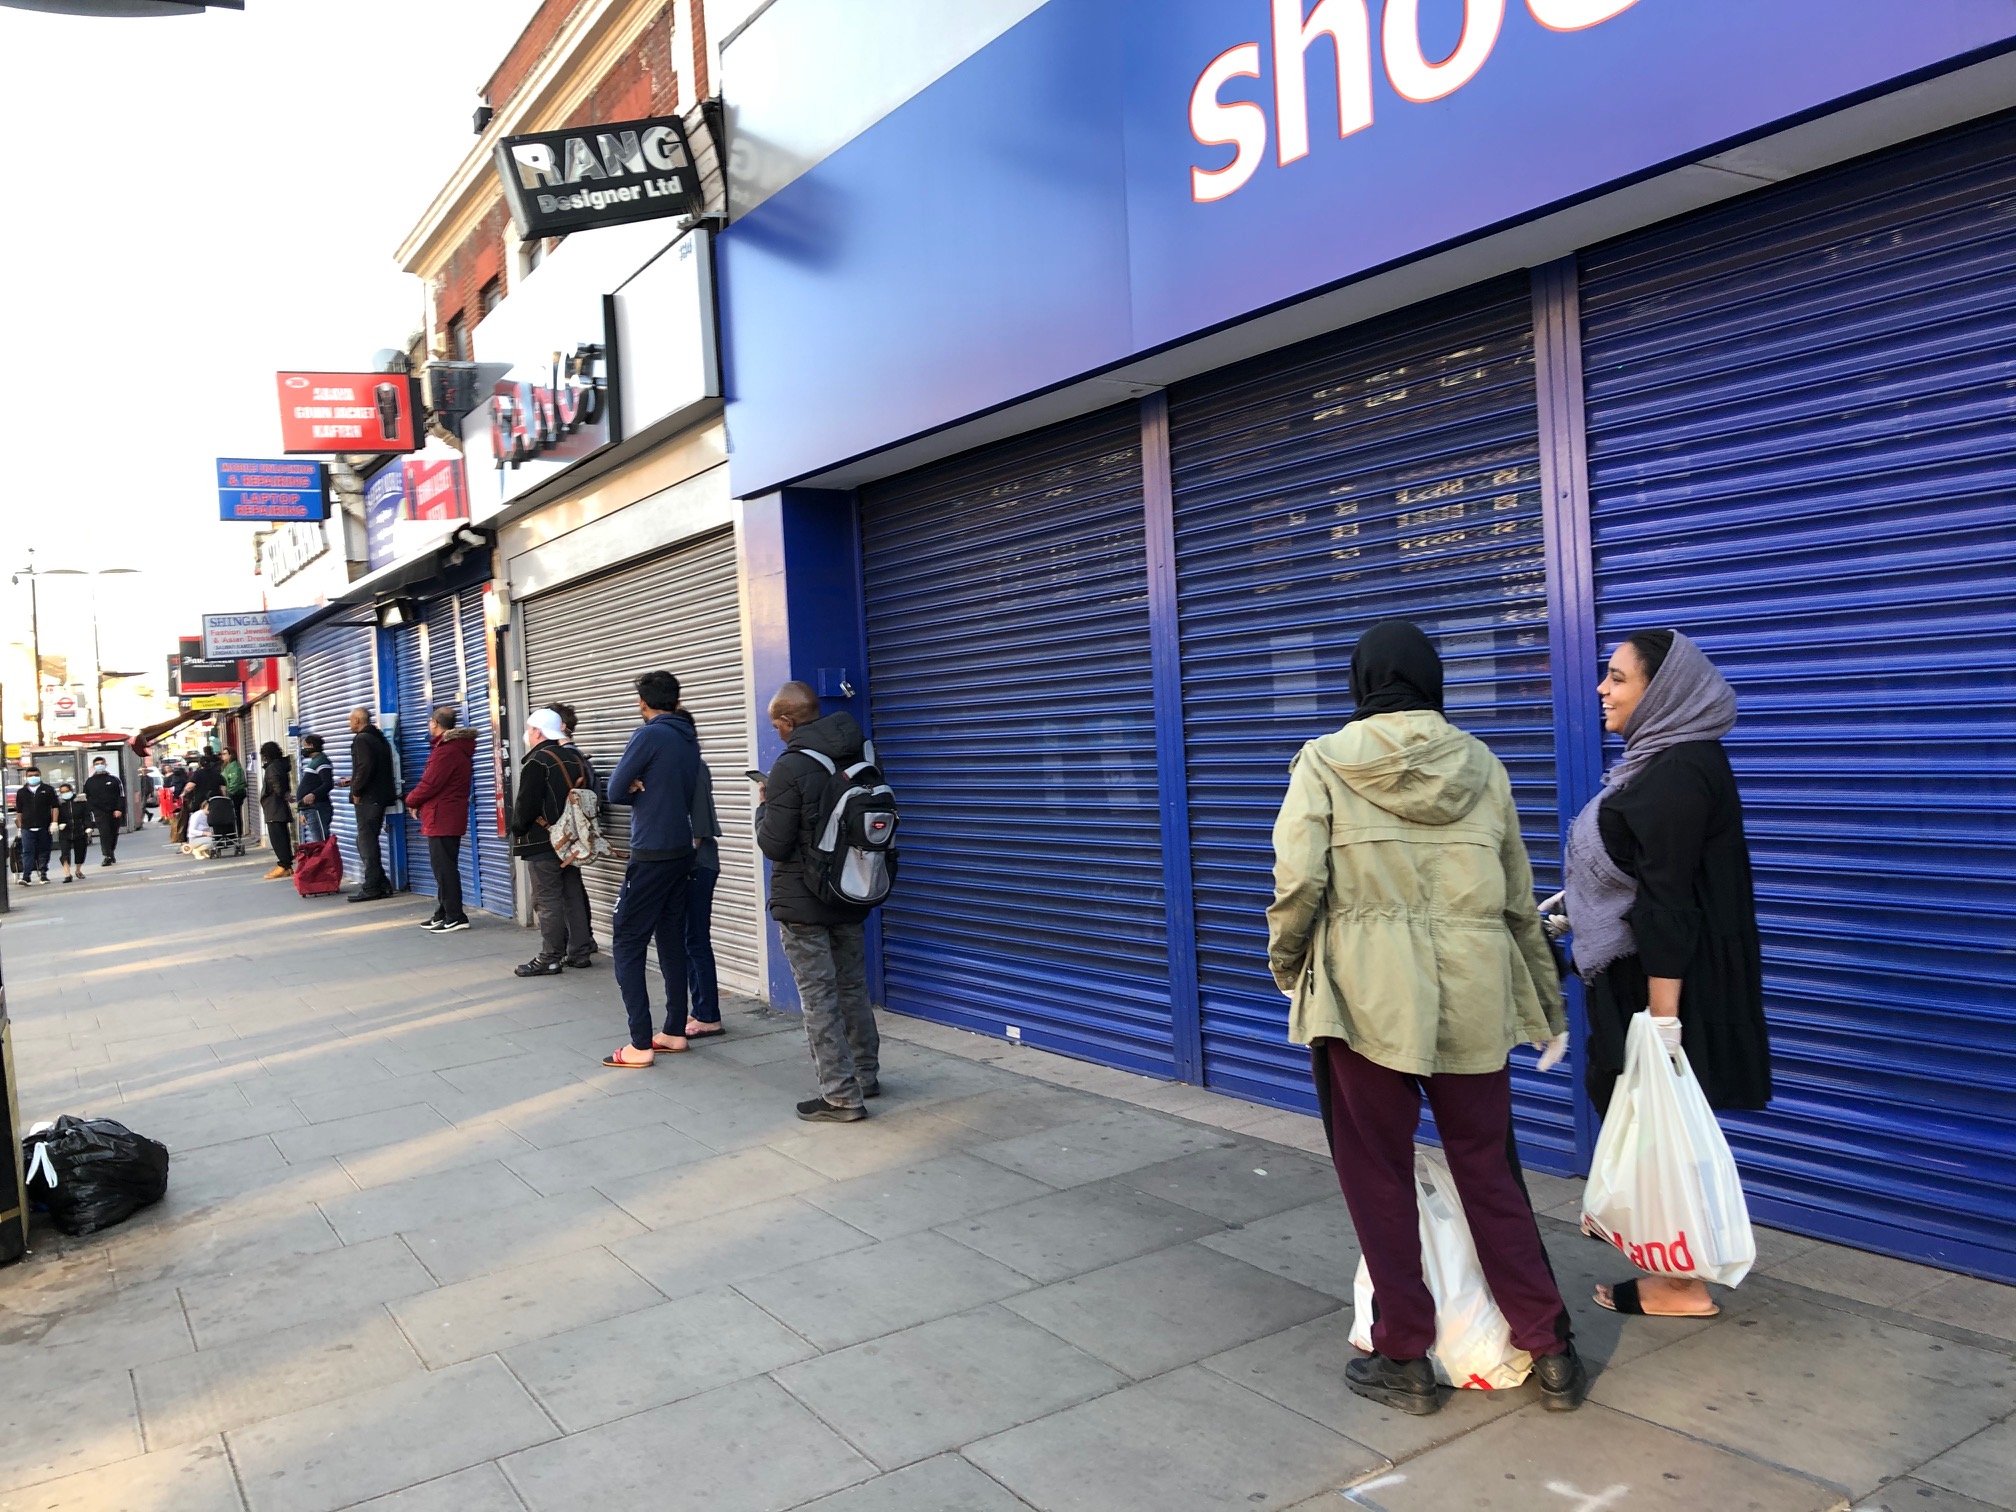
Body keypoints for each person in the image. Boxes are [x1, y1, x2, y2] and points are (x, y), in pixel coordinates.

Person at [1267, 621, 1584, 1416]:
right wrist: (1544, 1001)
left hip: (1363, 993)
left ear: (1362, 681)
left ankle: (1403, 1353)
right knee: (1490, 1167)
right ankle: (1550, 1348)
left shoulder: (1324, 762)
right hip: (1472, 992)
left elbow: (1299, 880)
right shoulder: (1484, 765)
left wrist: (1288, 964)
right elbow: (1517, 898)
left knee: (1376, 1174)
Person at [1562, 628, 1770, 1321]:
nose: (1602, 689)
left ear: (1664, 690)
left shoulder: (1680, 769)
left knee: (1658, 1131)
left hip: (1656, 982)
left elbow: (1668, 900)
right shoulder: (1662, 762)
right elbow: (1634, 869)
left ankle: (1680, 1285)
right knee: (1650, 1129)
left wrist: (1662, 1019)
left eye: (1618, 678)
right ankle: (1668, 1270)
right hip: (1644, 974)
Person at [758, 680, 878, 1121]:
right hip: (851, 888)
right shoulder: (859, 751)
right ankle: (865, 1074)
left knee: (818, 996)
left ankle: (841, 1096)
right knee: (851, 986)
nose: (777, 733)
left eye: (776, 725)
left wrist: (763, 806)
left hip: (804, 900)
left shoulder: (790, 766)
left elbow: (774, 843)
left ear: (789, 721)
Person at [602, 671, 703, 1068]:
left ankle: (640, 1044)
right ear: (676, 700)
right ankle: (674, 1031)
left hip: (651, 851)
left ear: (643, 703)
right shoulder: (687, 737)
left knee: (626, 941)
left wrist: (635, 783)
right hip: (682, 849)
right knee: (671, 939)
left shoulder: (648, 735)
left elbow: (613, 790)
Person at [511, 709, 595, 979]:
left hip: (542, 840)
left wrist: (518, 829)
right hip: (570, 840)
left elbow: (526, 805)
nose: (528, 732)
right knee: (572, 894)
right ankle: (580, 952)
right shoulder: (573, 757)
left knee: (546, 899)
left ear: (537, 731)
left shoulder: (538, 761)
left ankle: (550, 958)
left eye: (529, 728)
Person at [667, 700, 724, 1039]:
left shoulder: (695, 768)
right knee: (689, 939)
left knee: (695, 940)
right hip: (689, 864)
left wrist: (683, 865)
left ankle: (707, 1013)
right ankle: (700, 1008)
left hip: (696, 866)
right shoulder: (684, 766)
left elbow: (699, 829)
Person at [403, 705, 476, 932]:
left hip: (443, 817)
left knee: (444, 868)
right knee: (442, 866)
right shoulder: (450, 748)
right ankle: (443, 911)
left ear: (435, 723)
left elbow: (431, 783)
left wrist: (411, 800)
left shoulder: (447, 750)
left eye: (429, 722)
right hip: (443, 814)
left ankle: (455, 915)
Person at [547, 702, 601, 961]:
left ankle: (580, 945)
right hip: (570, 832)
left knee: (568, 890)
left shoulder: (566, 757)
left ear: (562, 727)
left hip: (564, 834)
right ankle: (583, 941)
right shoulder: (573, 755)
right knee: (572, 887)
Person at [337, 707, 396, 901]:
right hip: (379, 796)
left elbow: (365, 767)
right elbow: (371, 767)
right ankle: (382, 883)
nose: (349, 724)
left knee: (366, 841)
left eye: (350, 720)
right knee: (367, 840)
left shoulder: (362, 739)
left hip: (368, 799)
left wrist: (356, 790)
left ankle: (372, 886)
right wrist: (352, 779)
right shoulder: (378, 738)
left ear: (357, 720)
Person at [13, 767, 58, 885]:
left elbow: (55, 807)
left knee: (44, 850)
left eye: (36, 775)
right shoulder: (21, 792)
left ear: (40, 775)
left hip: (44, 825)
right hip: (27, 827)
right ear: (26, 777)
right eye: (30, 775)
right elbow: (19, 811)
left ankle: (43, 874)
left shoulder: (48, 790)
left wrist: (54, 822)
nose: (33, 777)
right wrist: (20, 827)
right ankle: (26, 876)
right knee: (27, 851)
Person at [259, 741, 295, 879]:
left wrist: (282, 793)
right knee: (282, 836)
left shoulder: (272, 768)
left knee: (277, 837)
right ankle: (286, 865)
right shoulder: (279, 765)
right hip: (278, 806)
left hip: (274, 807)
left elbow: (275, 783)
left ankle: (284, 865)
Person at [83, 755, 125, 865]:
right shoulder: (90, 781)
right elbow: (87, 797)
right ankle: (107, 855)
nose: (99, 766)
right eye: (97, 764)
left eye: (101, 764)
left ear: (105, 765)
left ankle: (111, 852)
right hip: (99, 812)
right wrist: (92, 809)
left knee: (113, 833)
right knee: (104, 833)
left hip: (114, 811)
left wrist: (119, 809)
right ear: (93, 766)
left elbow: (120, 795)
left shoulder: (114, 779)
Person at [297, 735, 335, 844]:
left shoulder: (322, 761)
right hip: (310, 809)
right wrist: (303, 812)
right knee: (317, 842)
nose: (303, 749)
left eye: (304, 746)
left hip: (317, 808)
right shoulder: (315, 761)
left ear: (311, 746)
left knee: (321, 842)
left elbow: (328, 784)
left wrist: (313, 795)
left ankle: (326, 861)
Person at [54, 780, 91, 883]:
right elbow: (54, 815)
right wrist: (58, 824)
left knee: (80, 851)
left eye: (67, 791)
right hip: (65, 831)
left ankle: (78, 870)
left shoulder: (80, 802)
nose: (65, 793)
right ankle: (67, 874)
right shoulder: (59, 804)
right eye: (62, 792)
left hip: (79, 829)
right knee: (64, 853)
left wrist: (88, 826)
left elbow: (86, 815)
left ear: (71, 791)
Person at [221, 749, 247, 836]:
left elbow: (234, 781)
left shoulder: (234, 767)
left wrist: (229, 793)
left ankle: (237, 833)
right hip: (231, 793)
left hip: (235, 794)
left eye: (224, 754)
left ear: (231, 755)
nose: (222, 756)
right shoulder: (228, 766)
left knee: (235, 813)